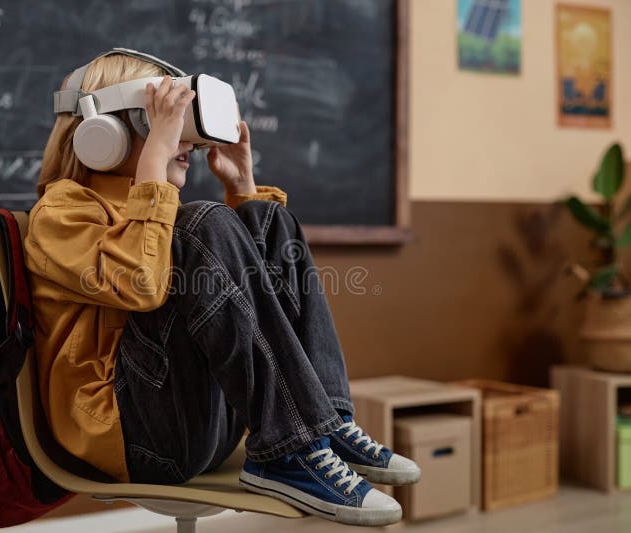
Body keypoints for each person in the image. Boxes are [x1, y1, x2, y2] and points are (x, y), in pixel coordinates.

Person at [24, 49, 420, 526]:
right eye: (158, 121)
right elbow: (141, 284)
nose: (182, 141)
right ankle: (289, 450)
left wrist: (242, 186)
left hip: (209, 423)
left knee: (271, 221)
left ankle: (325, 425)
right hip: (139, 439)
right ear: (98, 133)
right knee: (201, 222)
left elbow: (243, 302)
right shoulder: (61, 213)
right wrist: (157, 164)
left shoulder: (153, 206)